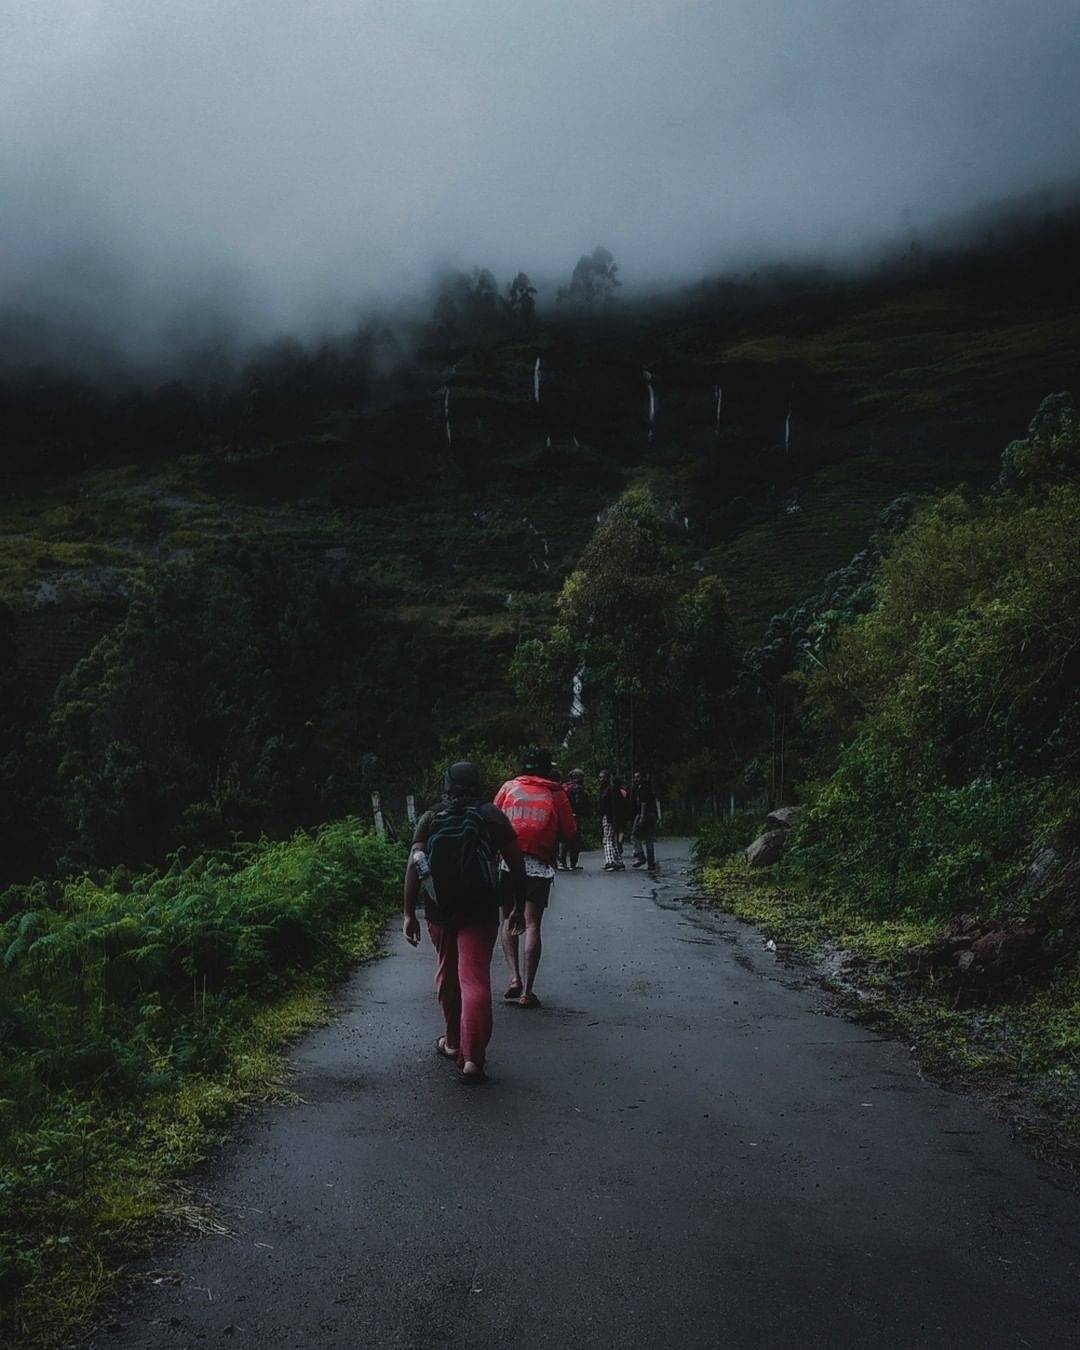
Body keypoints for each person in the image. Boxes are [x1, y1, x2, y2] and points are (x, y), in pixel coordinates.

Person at [403, 761, 526, 1084]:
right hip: (481, 909)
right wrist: (517, 906)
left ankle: (452, 1042)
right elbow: (516, 863)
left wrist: (408, 913)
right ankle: (472, 1059)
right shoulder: (491, 816)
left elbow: (416, 863)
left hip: (439, 910)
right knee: (474, 979)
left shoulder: (431, 817)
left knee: (447, 972)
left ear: (447, 785)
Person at [494, 746, 576, 1008]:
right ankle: (527, 992)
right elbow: (569, 832)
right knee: (531, 925)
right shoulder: (555, 793)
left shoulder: (508, 787)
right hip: (539, 865)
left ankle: (513, 978)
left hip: (508, 862)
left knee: (507, 918)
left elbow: (492, 819)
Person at [628, 769, 660, 872]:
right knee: (649, 839)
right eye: (635, 777)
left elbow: (643, 802)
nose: (636, 779)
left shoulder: (643, 788)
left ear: (642, 777)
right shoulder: (647, 787)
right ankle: (651, 863)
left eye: (638, 777)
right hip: (652, 814)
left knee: (634, 836)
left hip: (645, 814)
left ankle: (641, 856)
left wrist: (641, 816)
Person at [557, 768, 587, 870]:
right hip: (574, 816)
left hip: (564, 815)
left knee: (564, 838)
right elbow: (579, 804)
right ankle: (573, 863)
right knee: (575, 840)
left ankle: (562, 862)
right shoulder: (578, 788)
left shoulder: (564, 787)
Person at [598, 769, 626, 871]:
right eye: (600, 777)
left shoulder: (610, 790)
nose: (601, 780)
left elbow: (613, 806)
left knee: (607, 840)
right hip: (611, 817)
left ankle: (610, 862)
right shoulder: (608, 790)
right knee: (612, 840)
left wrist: (613, 818)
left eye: (603, 777)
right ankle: (619, 861)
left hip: (610, 817)